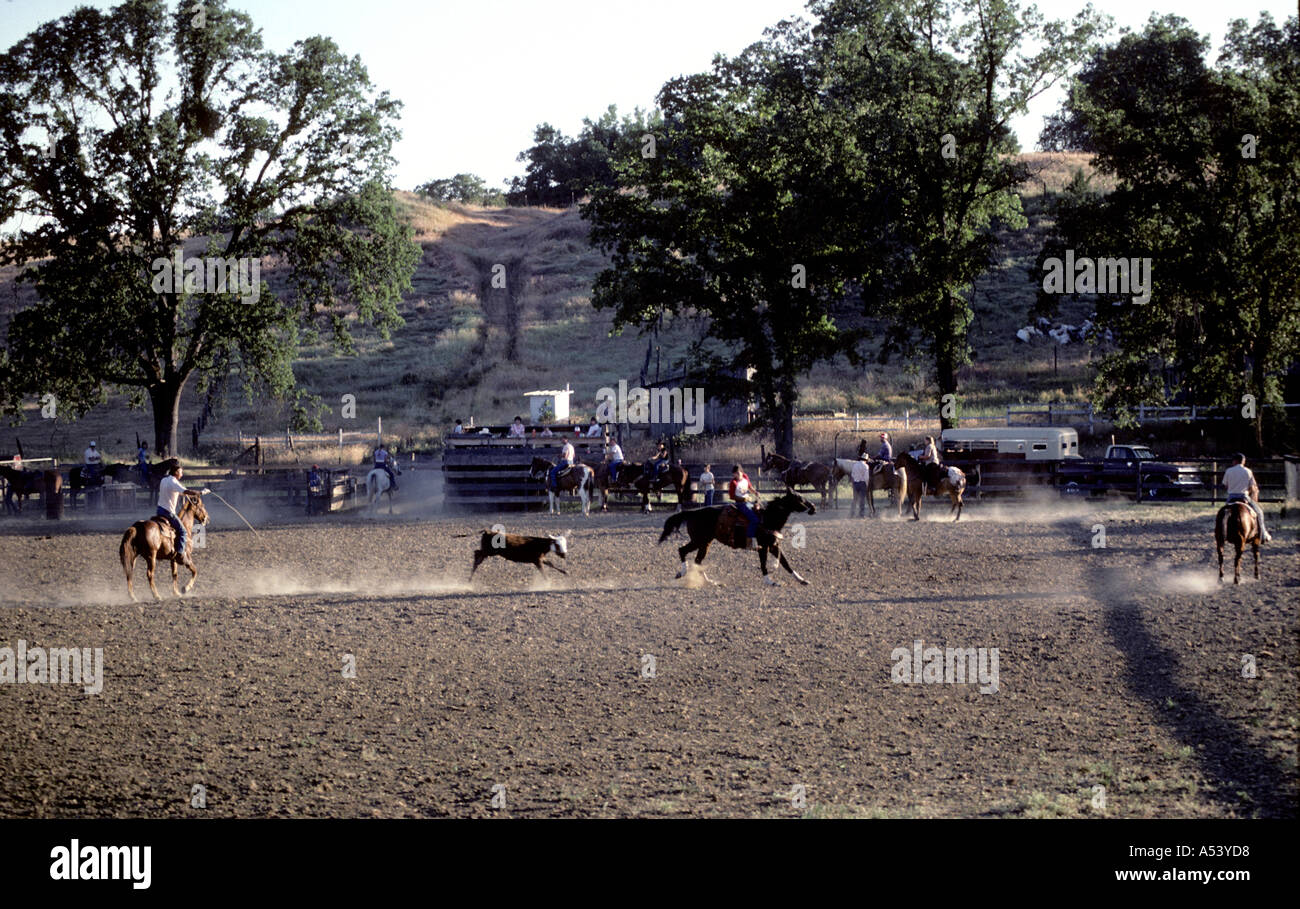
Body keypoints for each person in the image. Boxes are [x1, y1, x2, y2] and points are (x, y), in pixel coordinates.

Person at [156, 461, 206, 557]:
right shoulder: (174, 482)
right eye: (181, 472)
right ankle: (180, 553)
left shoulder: (163, 480)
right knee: (183, 531)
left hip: (160, 510)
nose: (182, 474)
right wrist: (201, 492)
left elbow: (179, 491)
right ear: (176, 473)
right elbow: (186, 491)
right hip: (168, 512)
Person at [1223, 453, 1272, 543]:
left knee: (1223, 514)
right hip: (1244, 496)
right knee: (1259, 513)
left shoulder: (1228, 471)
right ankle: (1263, 534)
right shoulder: (1248, 471)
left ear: (1235, 461)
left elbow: (1225, 486)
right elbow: (1252, 487)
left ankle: (1222, 533)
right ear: (1243, 461)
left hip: (1231, 497)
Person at [729, 464, 761, 548]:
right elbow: (732, 496)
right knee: (754, 519)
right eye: (735, 474)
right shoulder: (733, 483)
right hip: (740, 504)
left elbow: (750, 487)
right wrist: (743, 499)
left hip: (748, 502)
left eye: (737, 473)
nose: (736, 475)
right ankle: (749, 543)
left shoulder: (745, 477)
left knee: (760, 513)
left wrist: (755, 492)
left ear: (741, 472)